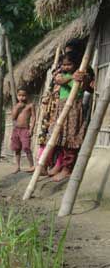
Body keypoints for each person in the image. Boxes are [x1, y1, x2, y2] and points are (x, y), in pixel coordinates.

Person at [46, 53, 88, 182]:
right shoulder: (61, 75)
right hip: (62, 107)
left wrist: (81, 78)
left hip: (74, 108)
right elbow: (59, 80)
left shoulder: (81, 75)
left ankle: (67, 168)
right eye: (64, 65)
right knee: (61, 138)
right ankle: (60, 165)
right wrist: (71, 78)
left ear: (75, 64)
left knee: (70, 139)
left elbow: (83, 87)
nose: (66, 67)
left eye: (69, 64)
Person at [10, 88, 35, 174]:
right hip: (16, 130)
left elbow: (34, 118)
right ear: (17, 96)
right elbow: (13, 117)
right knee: (17, 148)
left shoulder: (30, 105)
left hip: (25, 129)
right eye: (20, 95)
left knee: (26, 147)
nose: (22, 97)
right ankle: (17, 166)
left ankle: (31, 166)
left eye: (24, 95)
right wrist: (17, 107)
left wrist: (31, 129)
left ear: (27, 96)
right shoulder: (16, 106)